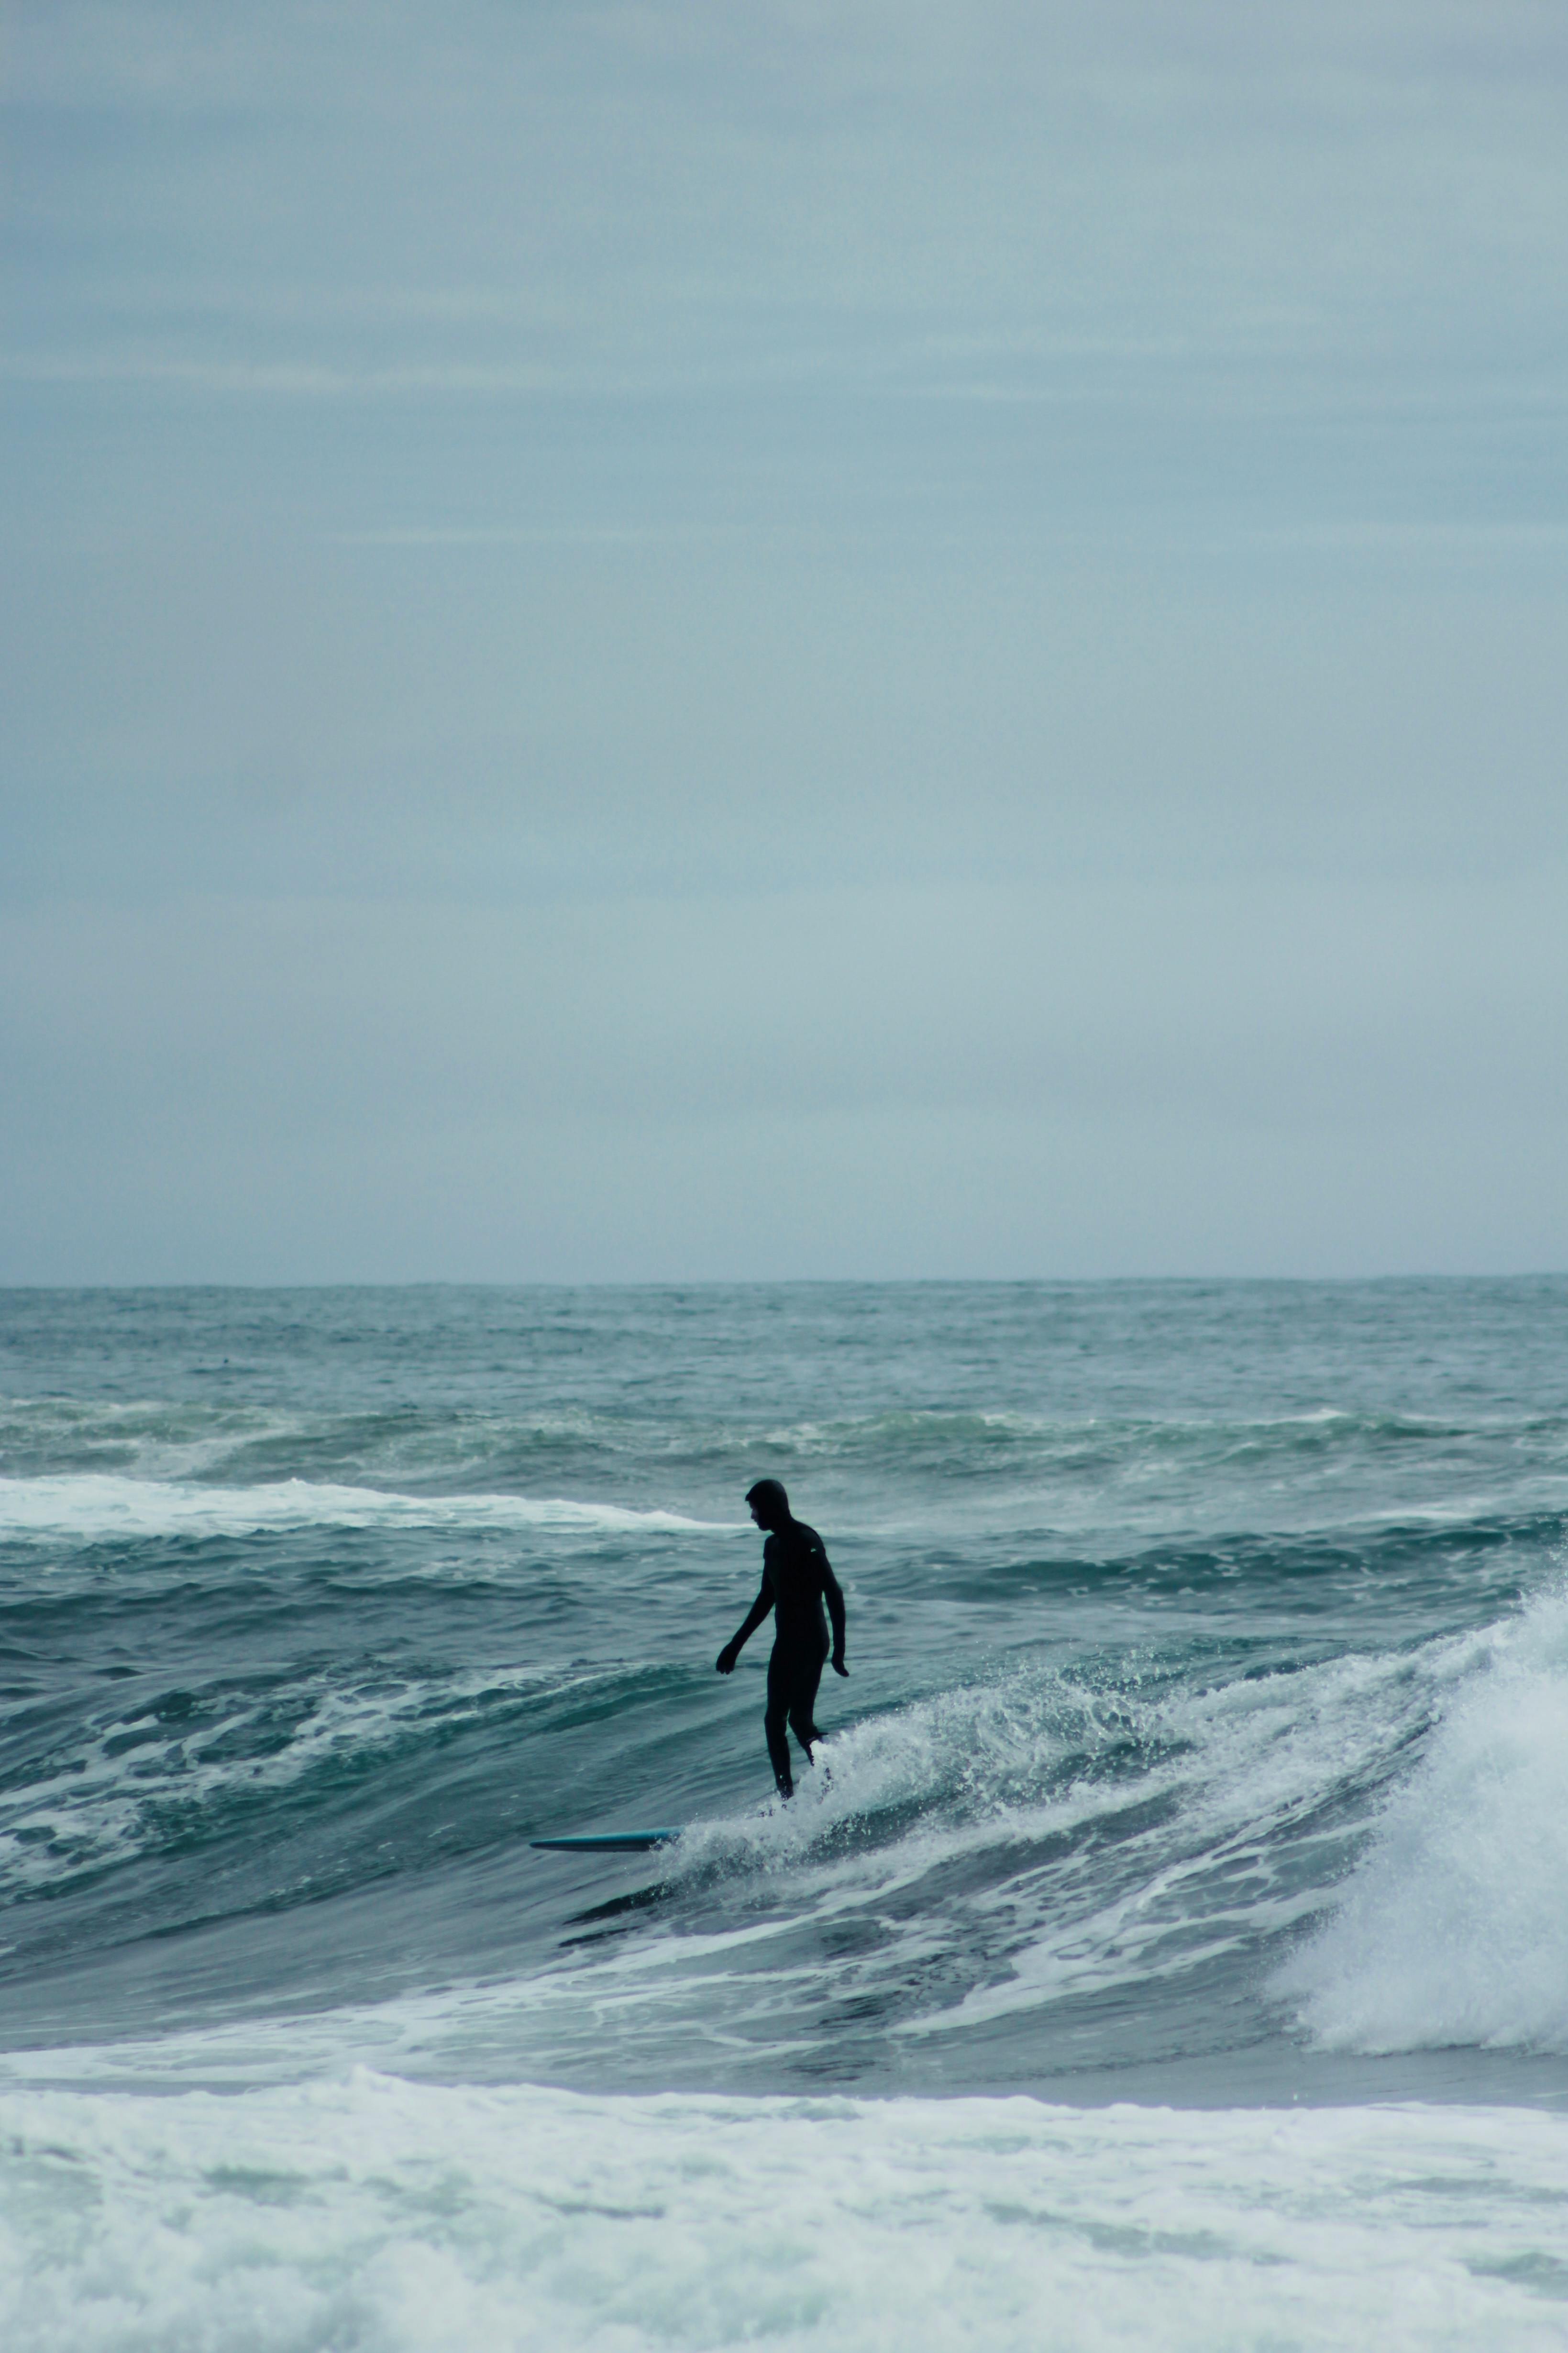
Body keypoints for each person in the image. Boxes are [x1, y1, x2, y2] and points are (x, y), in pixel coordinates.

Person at [716, 1478, 847, 1798]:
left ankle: (833, 1784)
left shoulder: (806, 1539)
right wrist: (736, 1645)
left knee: (799, 1721)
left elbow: (833, 1592)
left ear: (771, 1507)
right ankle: (786, 1797)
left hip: (811, 1641)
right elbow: (766, 1597)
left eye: (755, 1509)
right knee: (775, 1722)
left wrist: (839, 1651)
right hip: (786, 1643)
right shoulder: (772, 1546)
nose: (753, 1517)